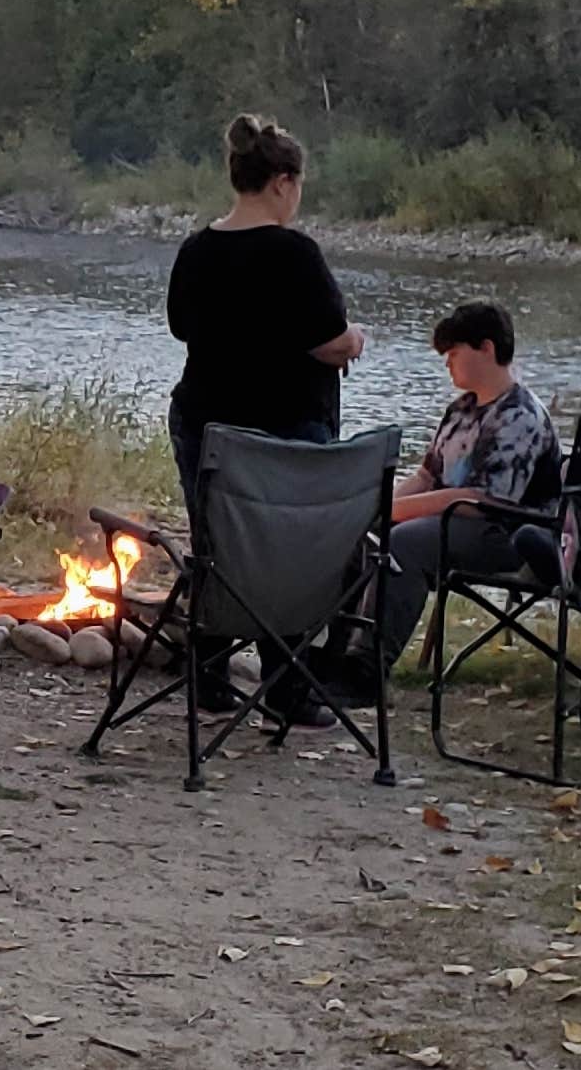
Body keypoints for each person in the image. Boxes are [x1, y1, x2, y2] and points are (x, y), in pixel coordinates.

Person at [165, 113, 365, 723]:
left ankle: (209, 675)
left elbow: (182, 327)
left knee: (217, 543)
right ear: (282, 182)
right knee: (293, 552)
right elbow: (331, 338)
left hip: (206, 427)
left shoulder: (197, 250)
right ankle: (287, 686)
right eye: (298, 186)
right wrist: (353, 339)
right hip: (288, 427)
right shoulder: (295, 254)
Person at [331, 299, 561, 694]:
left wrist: (395, 511)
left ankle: (367, 669)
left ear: (486, 349)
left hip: (509, 534)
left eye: (454, 352)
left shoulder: (520, 415)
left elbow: (482, 500)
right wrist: (375, 508)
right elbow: (426, 477)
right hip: (456, 521)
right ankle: (332, 655)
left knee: (406, 543)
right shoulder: (461, 410)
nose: (447, 362)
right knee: (361, 531)